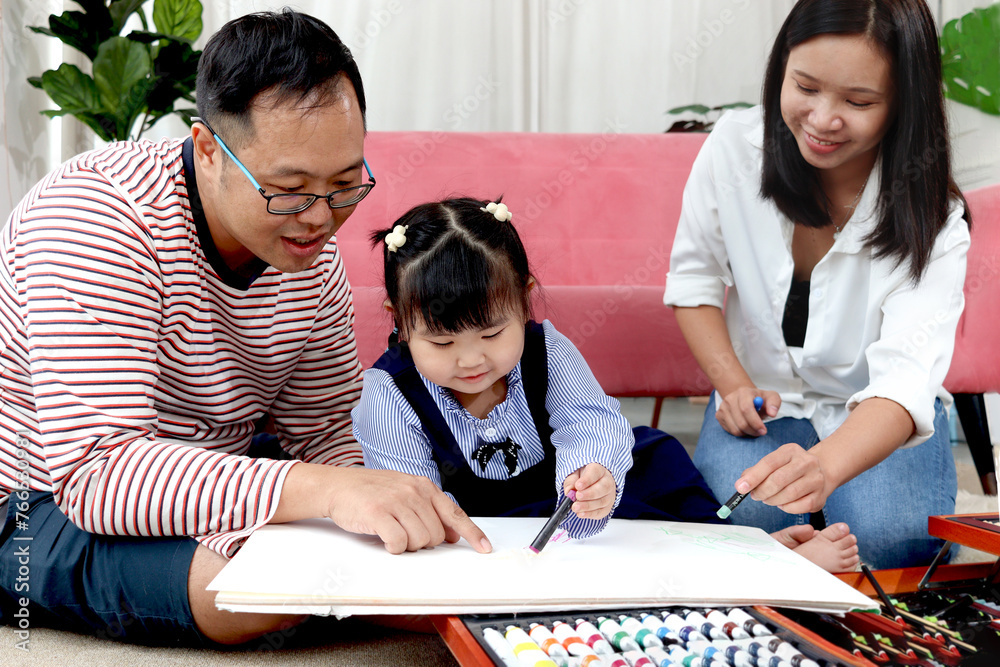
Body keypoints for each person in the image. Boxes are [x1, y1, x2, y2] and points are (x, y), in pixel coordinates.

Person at [0, 10, 490, 648]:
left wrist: (377, 500)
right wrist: (324, 490)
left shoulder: (309, 257)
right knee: (253, 594)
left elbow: (326, 429)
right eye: (289, 189)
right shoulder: (95, 218)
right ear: (209, 151)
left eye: (345, 186)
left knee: (383, 544)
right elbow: (98, 474)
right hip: (42, 496)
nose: (320, 219)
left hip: (209, 474)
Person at [354, 197, 860, 572]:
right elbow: (414, 497)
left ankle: (757, 560)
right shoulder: (389, 394)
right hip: (490, 527)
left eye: (492, 333)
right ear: (398, 319)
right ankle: (763, 566)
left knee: (660, 508)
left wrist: (592, 473)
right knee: (610, 570)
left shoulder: (546, 349)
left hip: (575, 498)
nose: (470, 361)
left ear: (525, 302)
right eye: (441, 344)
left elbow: (589, 421)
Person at [664, 0, 970, 571]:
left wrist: (825, 468)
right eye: (805, 86)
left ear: (904, 104)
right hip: (766, 397)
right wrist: (733, 385)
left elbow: (903, 384)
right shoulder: (735, 146)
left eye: (858, 102)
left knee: (887, 544)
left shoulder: (936, 218)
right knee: (742, 529)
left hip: (878, 411)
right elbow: (694, 280)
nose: (823, 119)